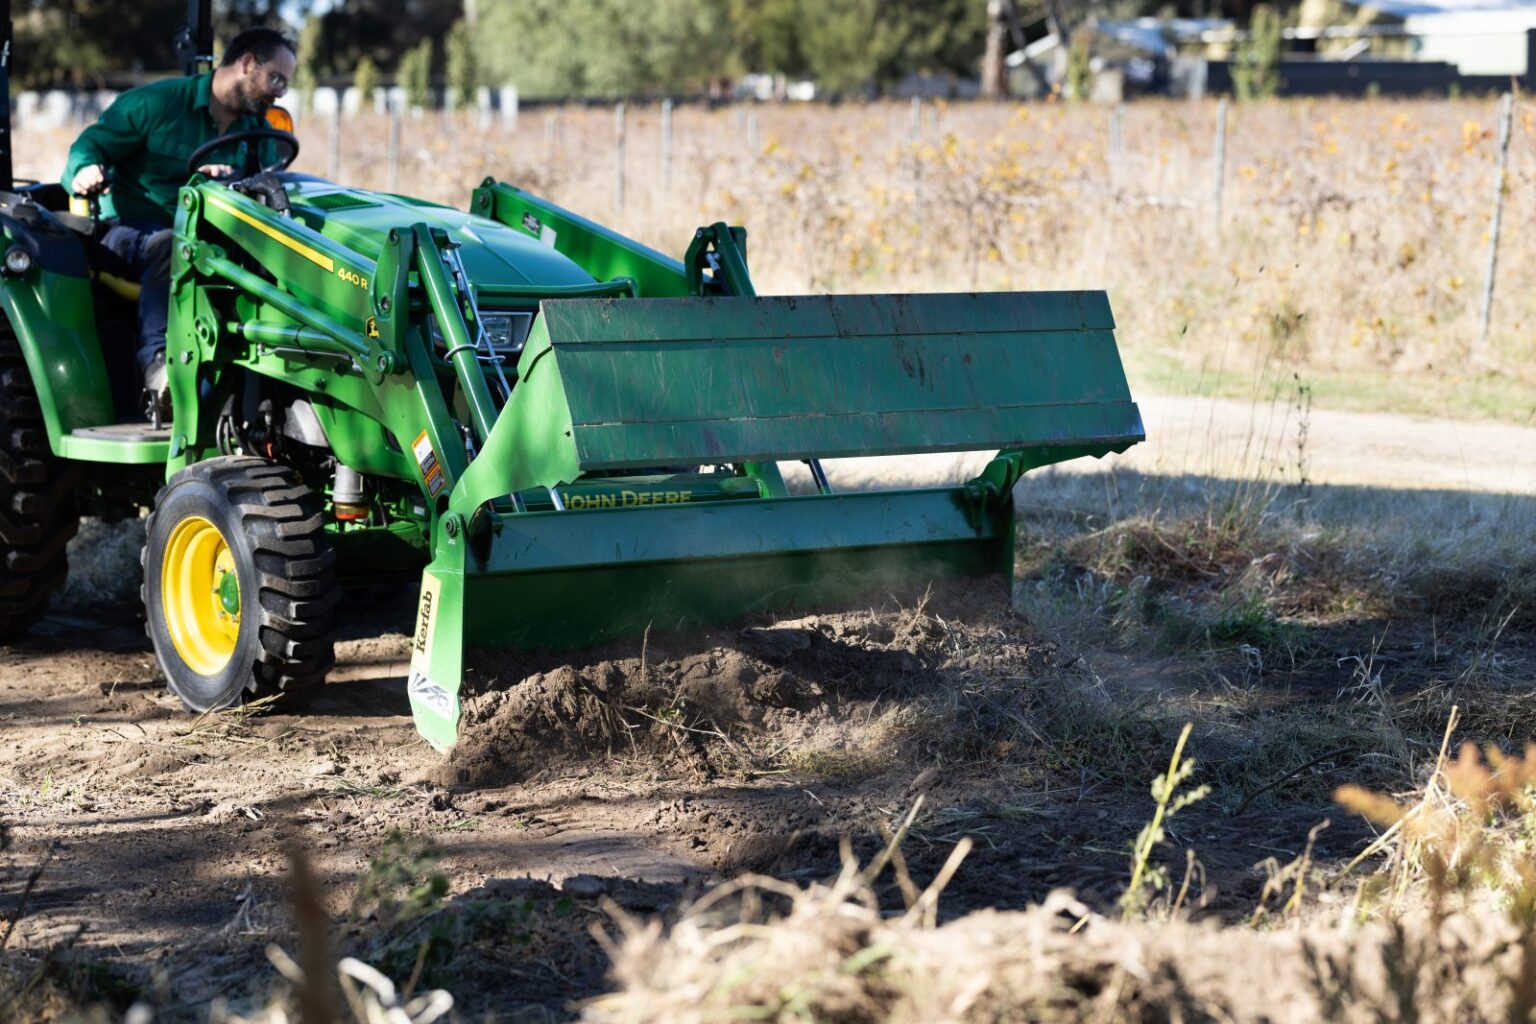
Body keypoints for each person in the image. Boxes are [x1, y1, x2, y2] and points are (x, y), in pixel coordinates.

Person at [62, 27, 297, 415]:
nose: (280, 93)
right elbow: (89, 147)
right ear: (247, 63)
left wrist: (231, 183)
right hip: (132, 229)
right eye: (276, 79)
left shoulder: (260, 133)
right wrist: (86, 169)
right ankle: (160, 368)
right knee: (174, 245)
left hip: (210, 237)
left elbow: (271, 187)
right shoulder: (155, 104)